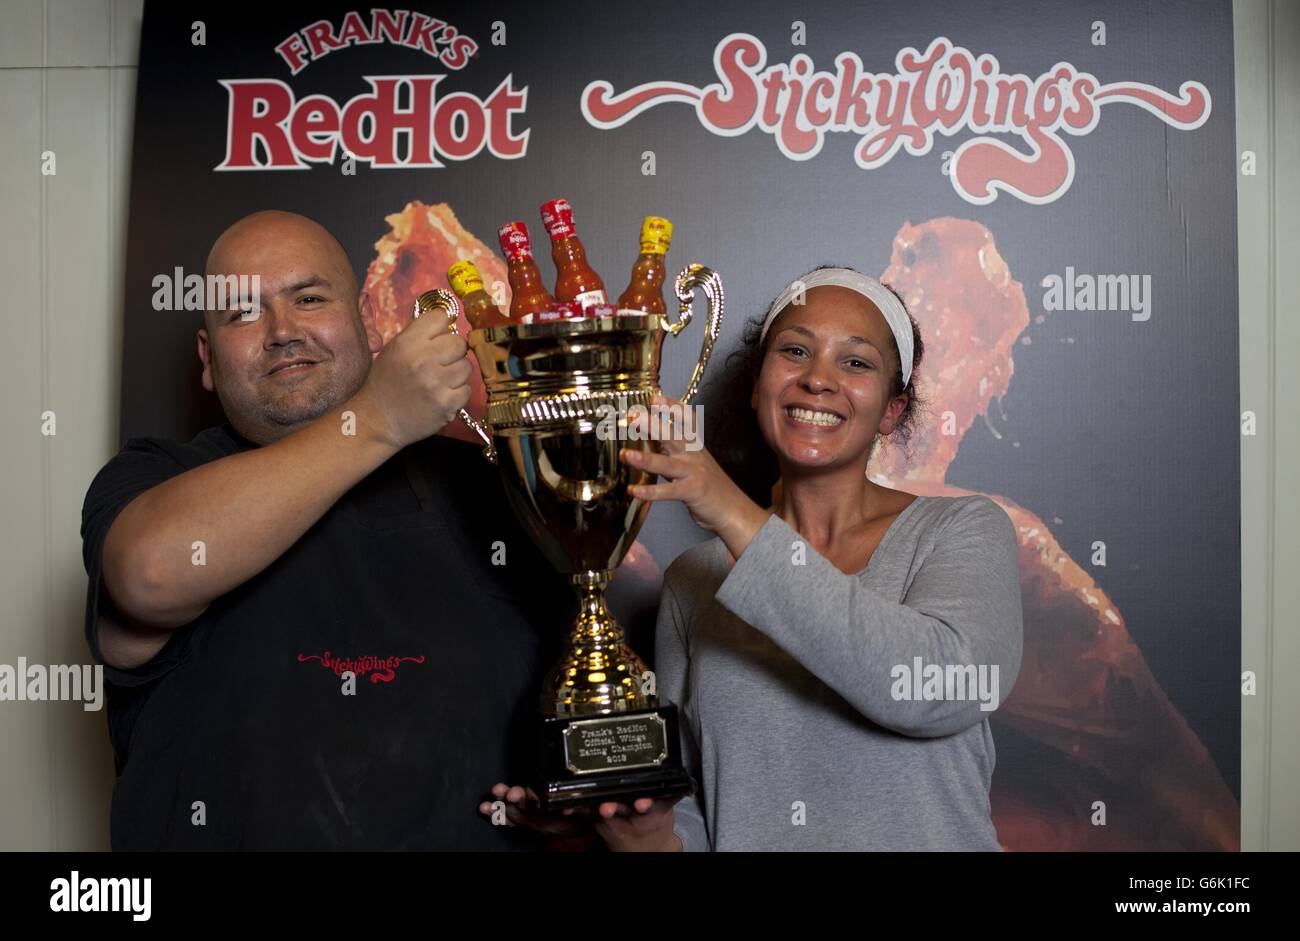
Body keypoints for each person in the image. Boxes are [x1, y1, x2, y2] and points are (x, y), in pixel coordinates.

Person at [483, 265, 1023, 851]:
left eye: (856, 362)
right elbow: (693, 807)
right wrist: (637, 830)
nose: (818, 379)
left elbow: (936, 690)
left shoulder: (961, 529)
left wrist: (729, 509)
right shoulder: (694, 579)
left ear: (893, 410)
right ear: (757, 384)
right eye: (795, 351)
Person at [81, 210, 571, 850]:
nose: (283, 332)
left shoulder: (489, 487)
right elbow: (150, 573)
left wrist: (562, 804)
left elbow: (562, 731)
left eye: (309, 298)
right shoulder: (154, 479)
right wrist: (380, 417)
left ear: (368, 325)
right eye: (242, 314)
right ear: (207, 358)